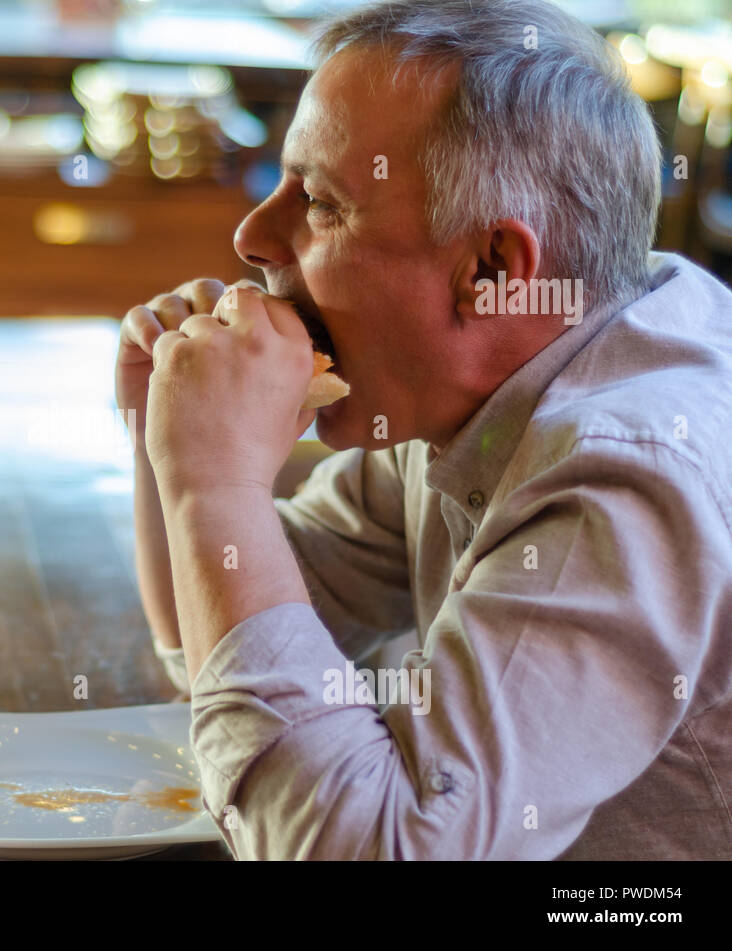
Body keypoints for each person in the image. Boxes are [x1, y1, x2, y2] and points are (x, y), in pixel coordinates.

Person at [117, 0, 732, 859]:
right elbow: (218, 655)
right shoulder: (470, 387)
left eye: (321, 203)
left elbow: (378, 846)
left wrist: (213, 481)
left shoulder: (624, 480)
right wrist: (169, 437)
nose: (252, 236)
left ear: (491, 272)